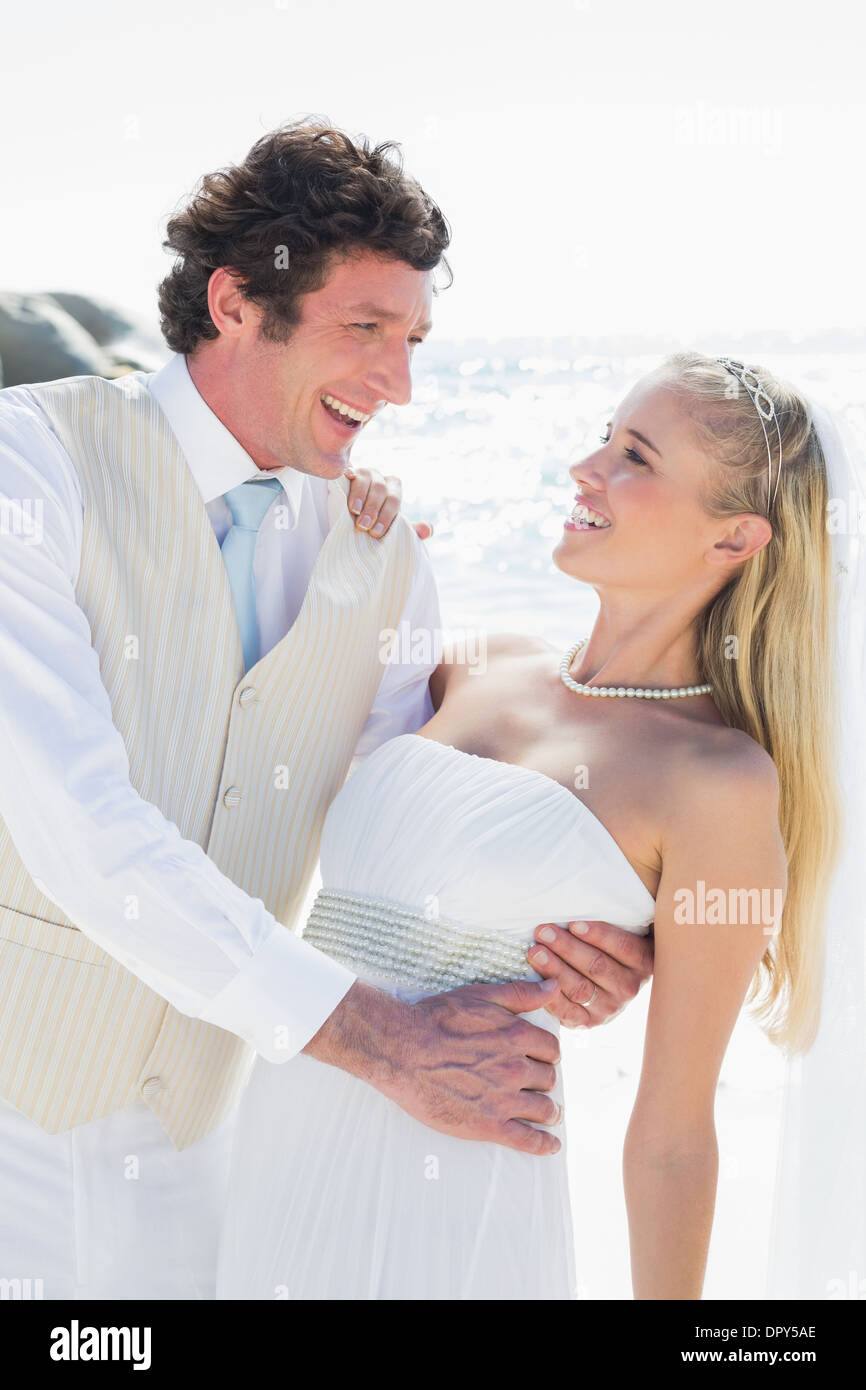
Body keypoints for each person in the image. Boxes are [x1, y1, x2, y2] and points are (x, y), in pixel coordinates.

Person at [0, 121, 650, 1301]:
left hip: (214, 1134)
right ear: (236, 300)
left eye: (412, 340)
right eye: (365, 330)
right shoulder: (26, 467)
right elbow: (81, 827)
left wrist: (572, 934)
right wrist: (380, 1041)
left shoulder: (383, 550)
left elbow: (406, 838)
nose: (399, 383)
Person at [217, 350, 851, 1301]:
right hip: (272, 1140)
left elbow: (674, 1132)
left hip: (457, 1198)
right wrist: (358, 520)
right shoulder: (476, 665)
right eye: (603, 437)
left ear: (734, 539)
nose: (585, 468)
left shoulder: (718, 781)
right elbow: (262, 670)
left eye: (635, 456)